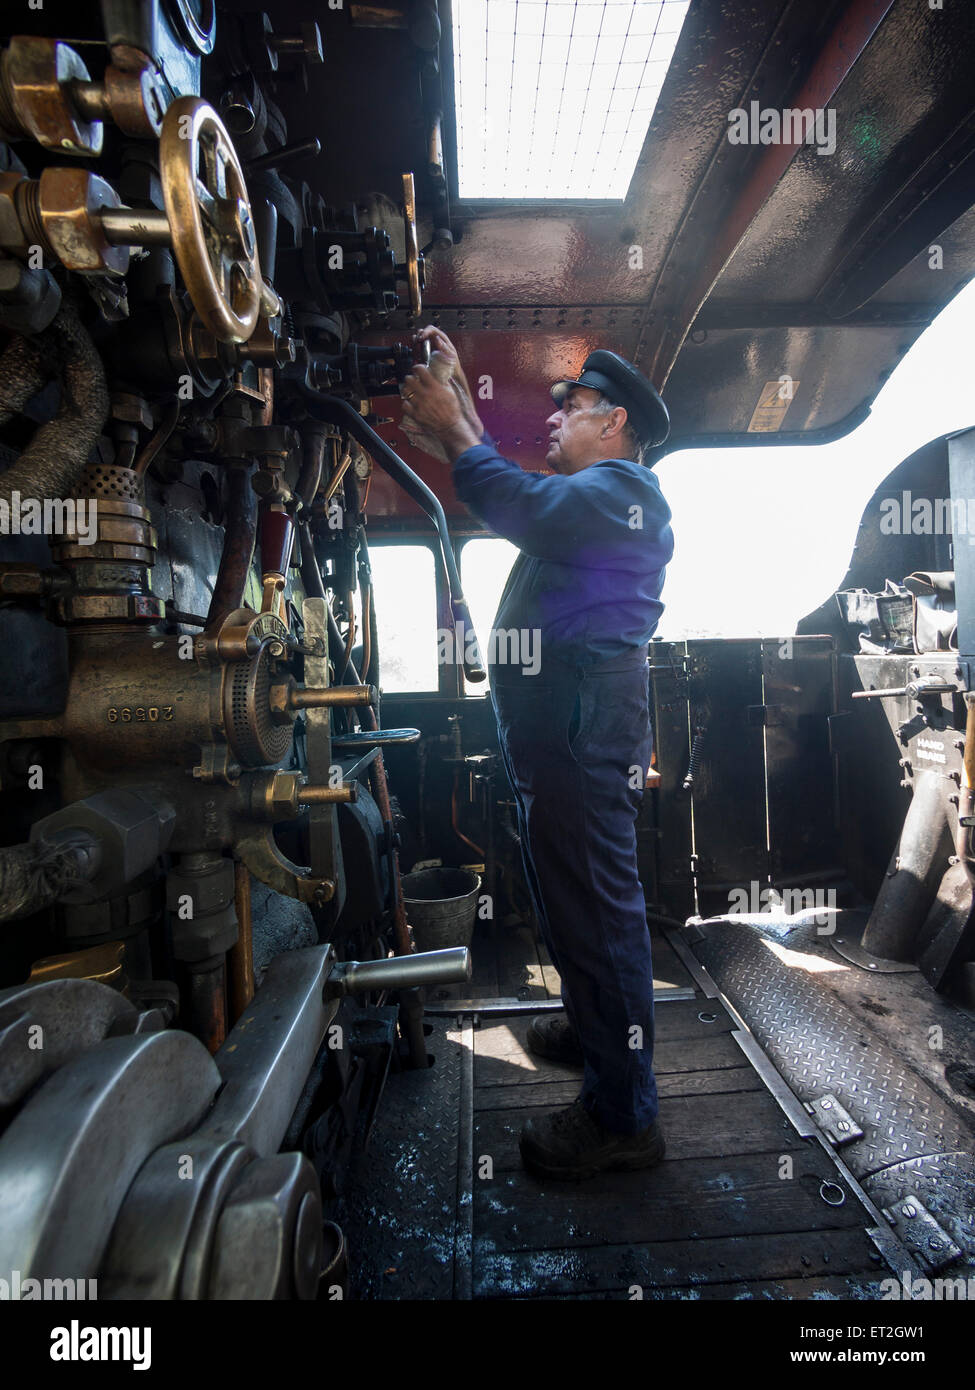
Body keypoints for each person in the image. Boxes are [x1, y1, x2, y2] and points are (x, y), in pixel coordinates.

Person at [400, 328, 674, 1180]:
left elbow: (524, 505)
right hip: (560, 732)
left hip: (581, 730)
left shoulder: (623, 490)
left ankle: (623, 1115)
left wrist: (458, 430)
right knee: (568, 898)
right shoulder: (590, 499)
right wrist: (455, 407)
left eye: (574, 405)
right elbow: (520, 501)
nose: (555, 416)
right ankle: (596, 1031)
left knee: (596, 907)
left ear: (615, 421)